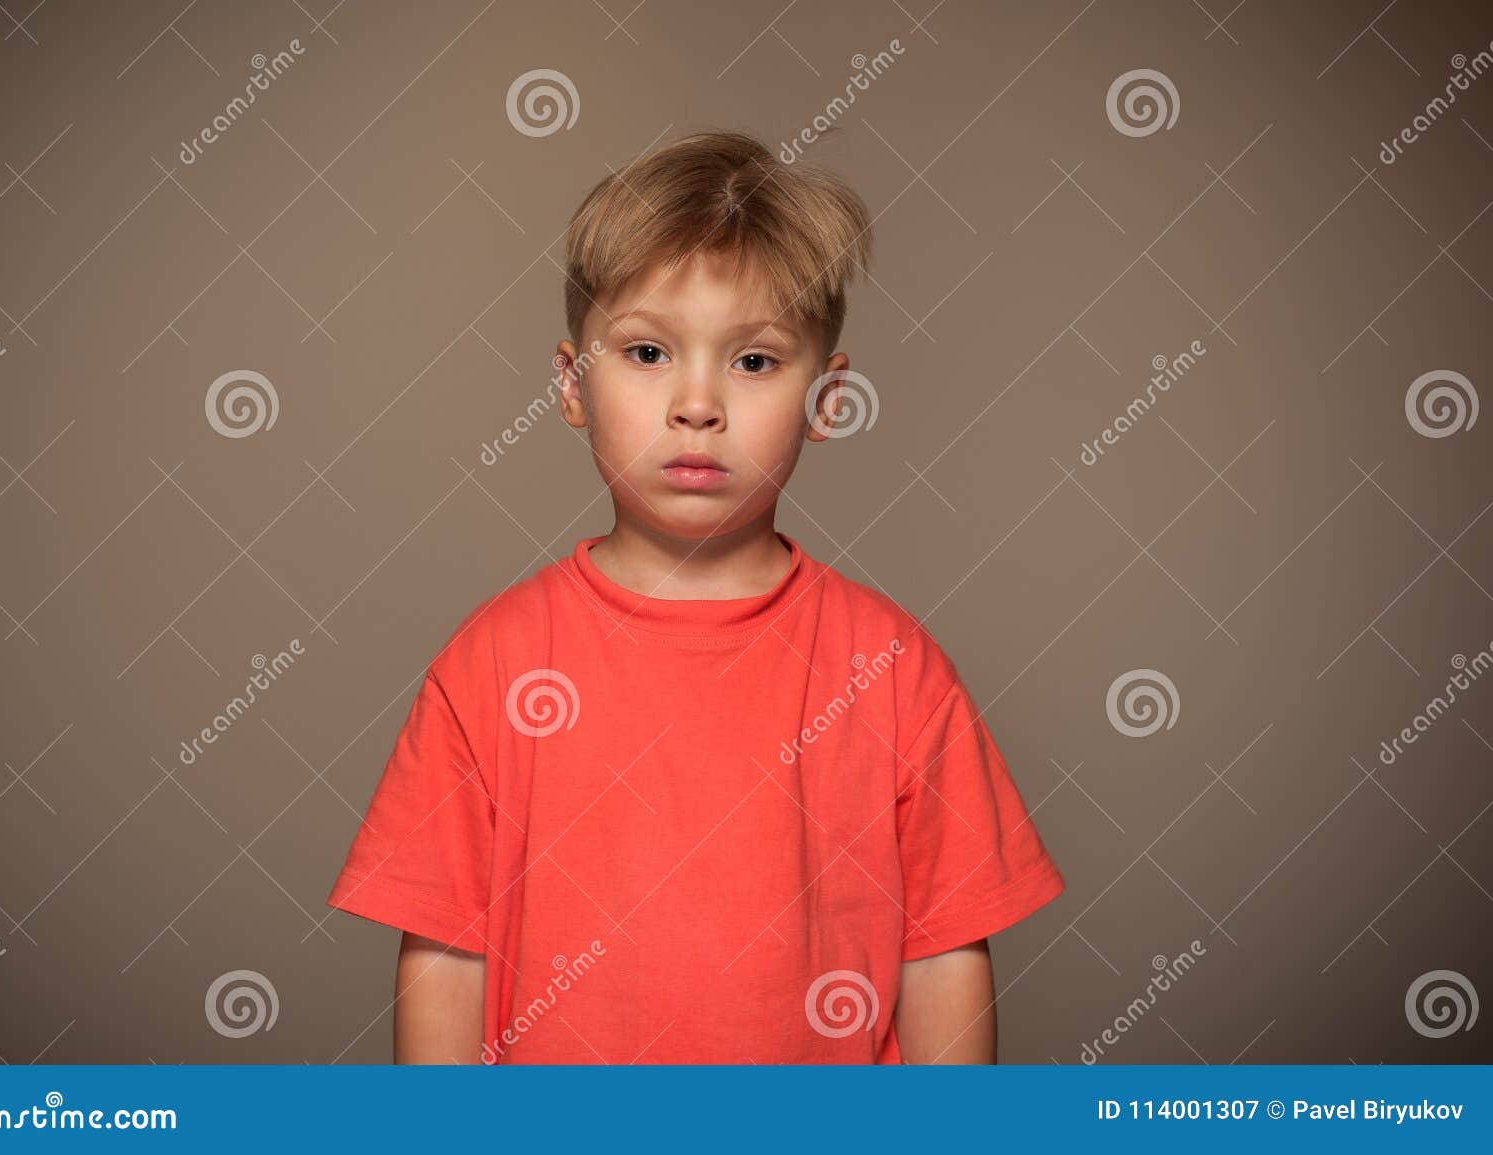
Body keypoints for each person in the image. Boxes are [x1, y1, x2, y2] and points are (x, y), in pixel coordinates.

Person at [326, 128, 1065, 1064]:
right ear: (570, 384)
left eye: (753, 361)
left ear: (827, 400)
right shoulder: (495, 662)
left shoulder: (892, 669)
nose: (697, 403)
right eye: (646, 353)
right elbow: (446, 956)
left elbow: (942, 957)